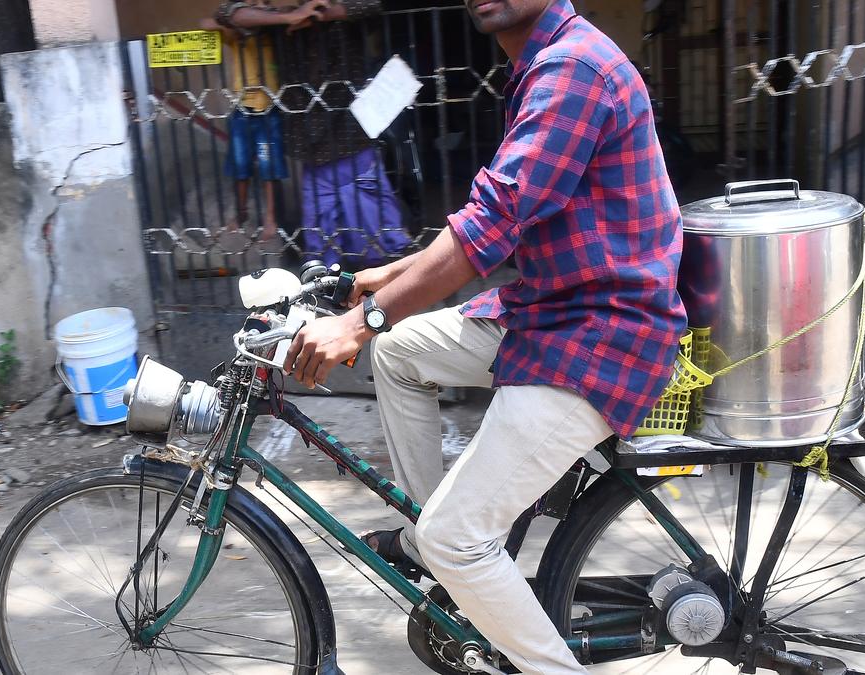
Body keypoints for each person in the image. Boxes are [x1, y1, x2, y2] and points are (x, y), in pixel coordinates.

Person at [285, 0, 687, 672]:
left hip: (601, 337)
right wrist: (392, 278)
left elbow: (494, 222)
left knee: (460, 538)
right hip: (552, 310)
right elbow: (500, 216)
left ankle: (456, 553)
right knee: (402, 351)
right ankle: (429, 543)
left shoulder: (572, 69)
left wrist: (361, 319)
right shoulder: (539, 64)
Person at [223, 0, 412, 267]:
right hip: (312, 146)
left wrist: (318, 15)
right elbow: (227, 14)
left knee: (377, 240)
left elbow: (373, 5)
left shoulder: (342, 11)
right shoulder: (278, 18)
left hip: (351, 136)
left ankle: (385, 287)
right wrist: (289, 17)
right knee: (322, 251)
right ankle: (337, 293)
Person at [201, 0, 321, 238]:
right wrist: (232, 27)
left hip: (269, 109)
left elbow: (296, 19)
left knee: (269, 168)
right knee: (240, 167)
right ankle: (241, 213)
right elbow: (204, 23)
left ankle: (270, 219)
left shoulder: (273, 34)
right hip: (242, 109)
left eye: (261, 3)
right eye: (251, 4)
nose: (256, 6)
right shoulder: (236, 36)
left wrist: (276, 16)